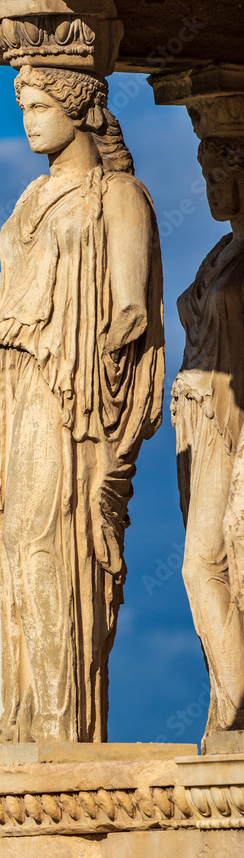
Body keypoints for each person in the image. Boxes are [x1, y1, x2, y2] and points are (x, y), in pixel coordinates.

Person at [0, 64, 164, 743]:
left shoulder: (118, 197)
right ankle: (22, 714)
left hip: (75, 396)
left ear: (80, 108)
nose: (27, 118)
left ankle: (64, 721)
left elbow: (130, 312)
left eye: (38, 104)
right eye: (21, 105)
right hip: (19, 387)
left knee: (57, 540)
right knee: (19, 543)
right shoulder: (28, 198)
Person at [173, 136, 244, 736]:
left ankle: (235, 706)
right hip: (196, 419)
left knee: (209, 561)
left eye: (217, 174)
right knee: (203, 559)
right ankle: (229, 703)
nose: (209, 189)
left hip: (232, 421)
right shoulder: (222, 251)